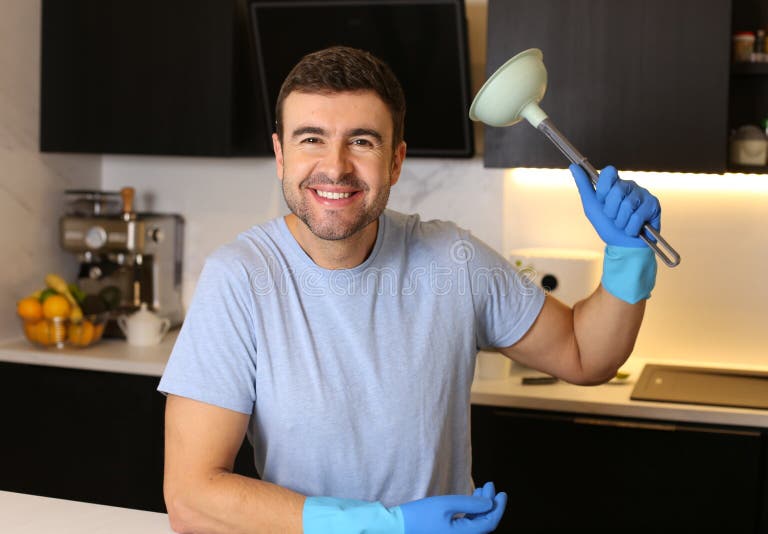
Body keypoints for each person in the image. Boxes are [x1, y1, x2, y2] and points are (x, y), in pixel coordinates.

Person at [158, 46, 661, 534]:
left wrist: (628, 259)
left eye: (362, 141)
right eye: (311, 138)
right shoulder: (240, 279)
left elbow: (585, 355)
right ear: (280, 155)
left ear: (396, 161)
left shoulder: (453, 260)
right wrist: (385, 527)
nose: (335, 166)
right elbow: (190, 498)